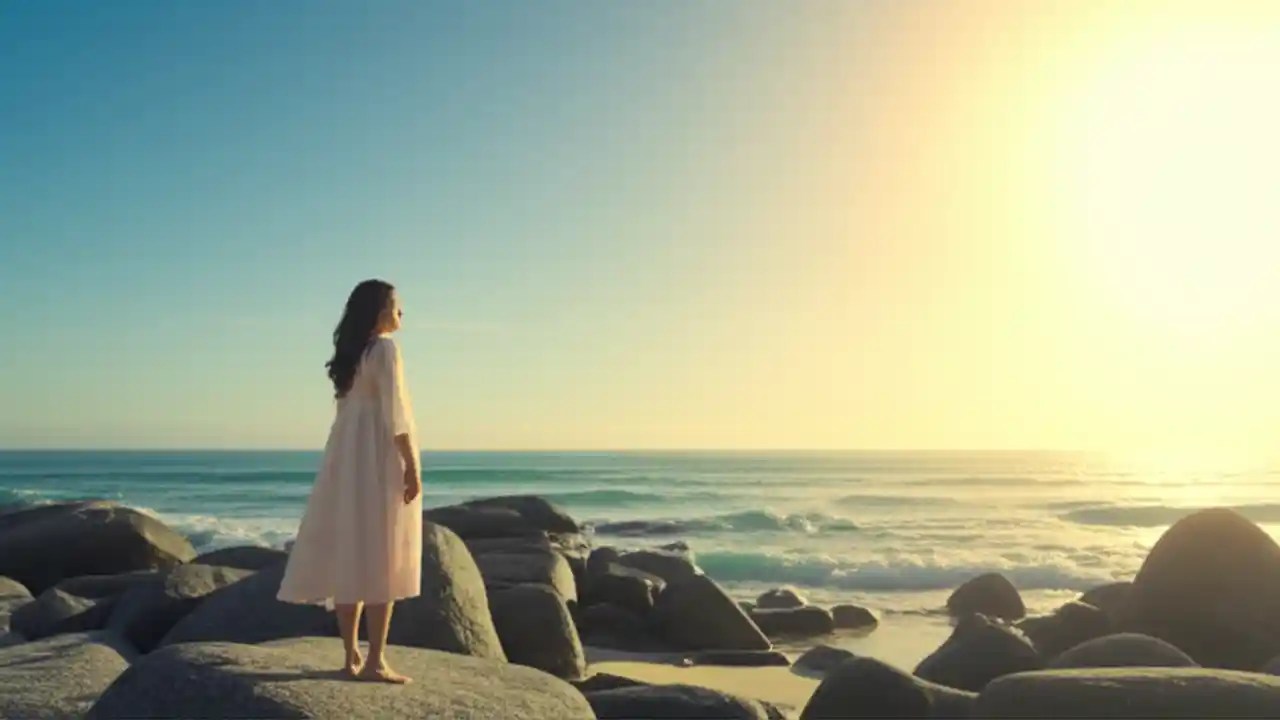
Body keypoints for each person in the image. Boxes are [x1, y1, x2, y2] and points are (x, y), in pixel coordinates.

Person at [277, 279, 423, 683]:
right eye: (397, 307)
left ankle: (349, 658)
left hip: (344, 456)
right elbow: (396, 414)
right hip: (377, 455)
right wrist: (410, 465)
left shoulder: (349, 354)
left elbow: (347, 412)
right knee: (381, 554)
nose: (401, 315)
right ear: (380, 313)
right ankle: (375, 661)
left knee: (350, 551)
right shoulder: (386, 350)